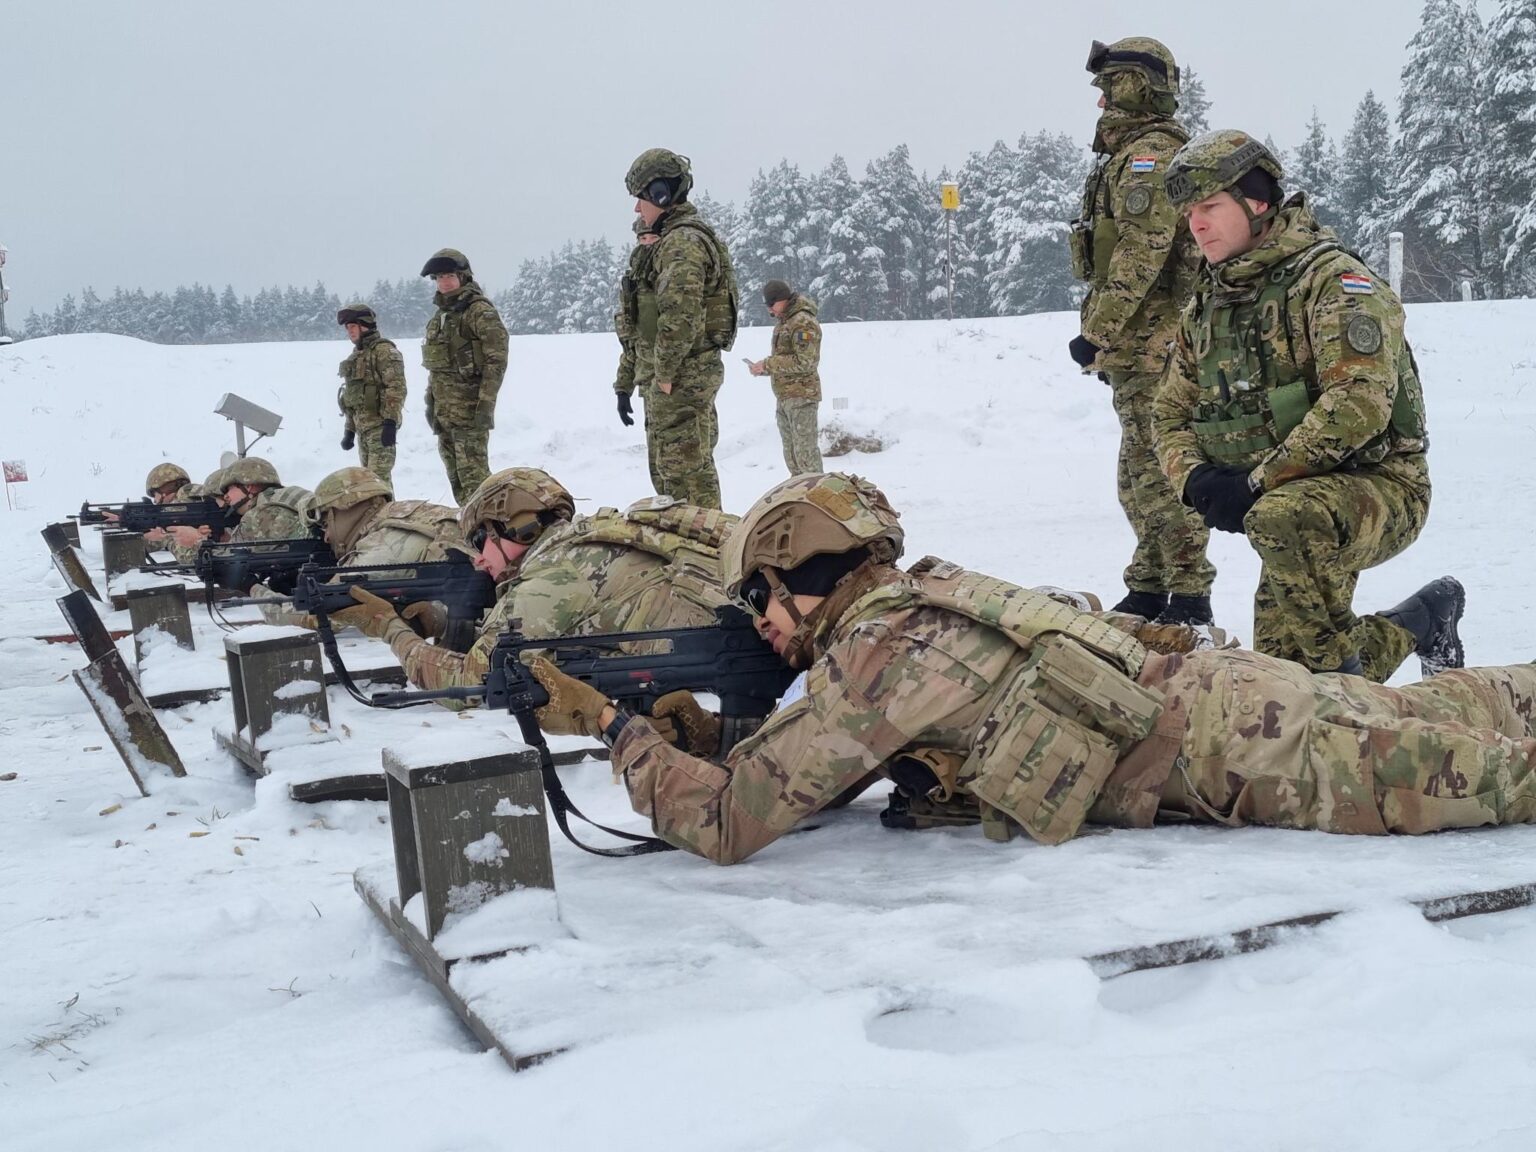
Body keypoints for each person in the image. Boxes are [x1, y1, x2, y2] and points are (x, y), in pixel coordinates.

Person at [517, 472, 1514, 866]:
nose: (764, 626)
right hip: (1241, 696)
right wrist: (712, 737)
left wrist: (615, 731)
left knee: (1503, 780)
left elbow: (730, 824)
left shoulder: (873, 660)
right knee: (1480, 701)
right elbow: (833, 755)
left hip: (1243, 758)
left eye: (761, 600)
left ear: (795, 577)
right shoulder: (928, 596)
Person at [1152, 129, 1455, 680]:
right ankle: (1420, 622)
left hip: (1379, 486)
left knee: (1283, 523)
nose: (1196, 225)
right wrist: (1193, 478)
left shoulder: (1333, 283)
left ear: (1256, 202)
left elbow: (1360, 402)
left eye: (1210, 207)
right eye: (1190, 212)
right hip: (1287, 503)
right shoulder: (1209, 304)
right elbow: (1169, 412)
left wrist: (1254, 484)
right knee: (1282, 675)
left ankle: (1345, 699)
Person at [333, 468, 734, 699]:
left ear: (516, 526)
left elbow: (471, 683)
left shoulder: (553, 575)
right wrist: (439, 622)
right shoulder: (591, 539)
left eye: (480, 540)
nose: (479, 558)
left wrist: (390, 628)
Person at [1068, 36, 1210, 626]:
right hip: (1136, 346)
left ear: (1137, 87)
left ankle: (1191, 595)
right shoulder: (1127, 155)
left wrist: (1097, 332)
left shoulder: (1152, 156)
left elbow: (1141, 251)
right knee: (1136, 477)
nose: (1101, 101)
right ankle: (1151, 585)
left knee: (1160, 472)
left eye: (1110, 87)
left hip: (1158, 344)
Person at [618, 148, 739, 509]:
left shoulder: (682, 243)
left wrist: (666, 374)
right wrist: (628, 381)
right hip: (672, 378)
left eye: (641, 198)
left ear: (661, 195)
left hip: (680, 379)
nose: (637, 209)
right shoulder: (667, 243)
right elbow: (644, 325)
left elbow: (680, 316)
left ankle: (710, 543)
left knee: (688, 482)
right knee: (673, 480)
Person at [419, 248, 509, 503]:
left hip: (470, 413)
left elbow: (496, 360)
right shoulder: (440, 318)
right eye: (439, 278)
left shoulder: (479, 311)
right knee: (456, 479)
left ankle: (491, 522)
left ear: (463, 276)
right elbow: (437, 367)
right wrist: (431, 402)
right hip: (444, 414)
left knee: (476, 480)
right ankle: (470, 521)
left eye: (449, 276)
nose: (444, 282)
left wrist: (486, 404)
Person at [748, 279, 823, 475]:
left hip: (802, 397)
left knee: (806, 457)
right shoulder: (784, 322)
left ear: (782, 299)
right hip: (785, 398)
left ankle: (818, 493)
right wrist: (763, 369)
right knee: (792, 457)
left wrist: (769, 364)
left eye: (771, 304)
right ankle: (799, 492)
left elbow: (806, 361)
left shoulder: (802, 322)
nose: (769, 309)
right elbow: (785, 359)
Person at [614, 217, 666, 490]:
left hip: (678, 387)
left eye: (653, 238)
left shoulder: (675, 275)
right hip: (649, 386)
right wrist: (623, 388)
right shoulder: (635, 282)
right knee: (659, 468)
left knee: (686, 472)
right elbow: (632, 343)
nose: (647, 244)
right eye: (642, 239)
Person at [335, 303, 406, 487]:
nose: (349, 331)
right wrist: (350, 430)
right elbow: (352, 397)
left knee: (378, 483)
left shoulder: (384, 352)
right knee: (369, 484)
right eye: (347, 327)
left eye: (353, 326)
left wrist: (390, 422)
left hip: (380, 428)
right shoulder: (357, 356)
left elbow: (396, 388)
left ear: (365, 325)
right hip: (363, 431)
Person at [218, 457, 313, 542]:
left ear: (248, 486)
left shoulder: (257, 517)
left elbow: (228, 554)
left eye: (229, 489)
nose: (226, 496)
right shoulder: (287, 498)